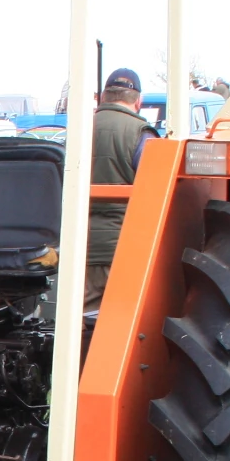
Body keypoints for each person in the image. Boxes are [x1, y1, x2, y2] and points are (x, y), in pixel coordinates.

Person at [87, 68, 157, 313]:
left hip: (80, 246)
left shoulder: (78, 130)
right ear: (138, 101)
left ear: (103, 97)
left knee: (77, 327)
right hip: (122, 247)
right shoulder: (142, 134)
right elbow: (154, 192)